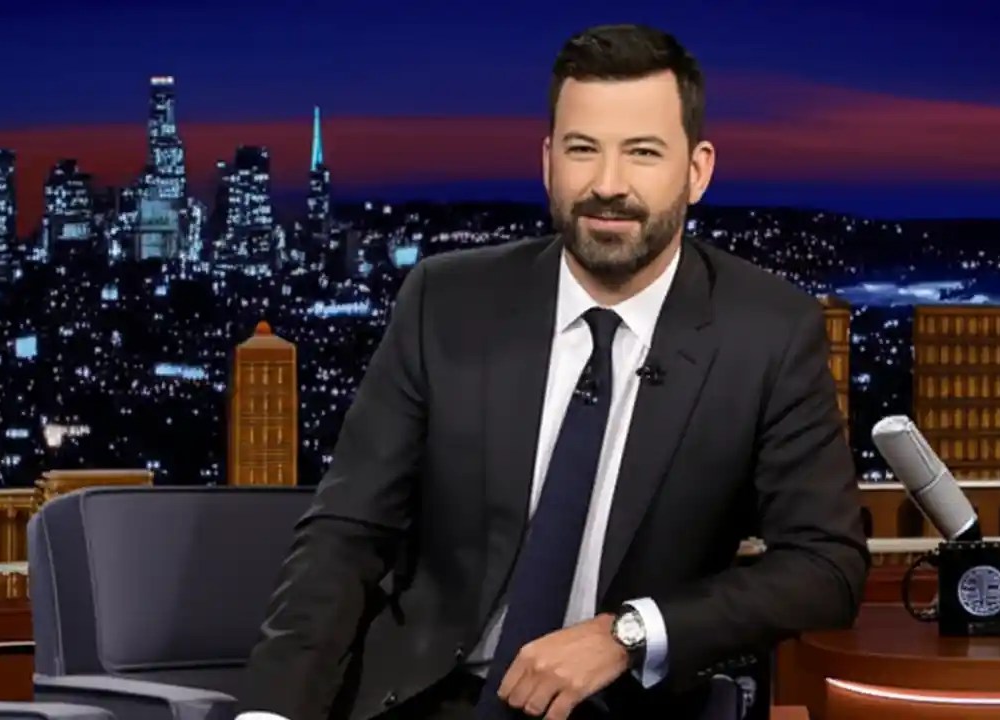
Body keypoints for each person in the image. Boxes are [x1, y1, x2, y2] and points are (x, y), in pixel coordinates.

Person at [238, 23, 869, 720]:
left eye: (642, 153)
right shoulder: (446, 301)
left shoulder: (768, 331)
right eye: (582, 150)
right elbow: (346, 532)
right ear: (548, 162)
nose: (607, 185)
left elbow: (825, 566)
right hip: (432, 697)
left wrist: (629, 632)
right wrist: (272, 711)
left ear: (697, 170)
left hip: (625, 704)